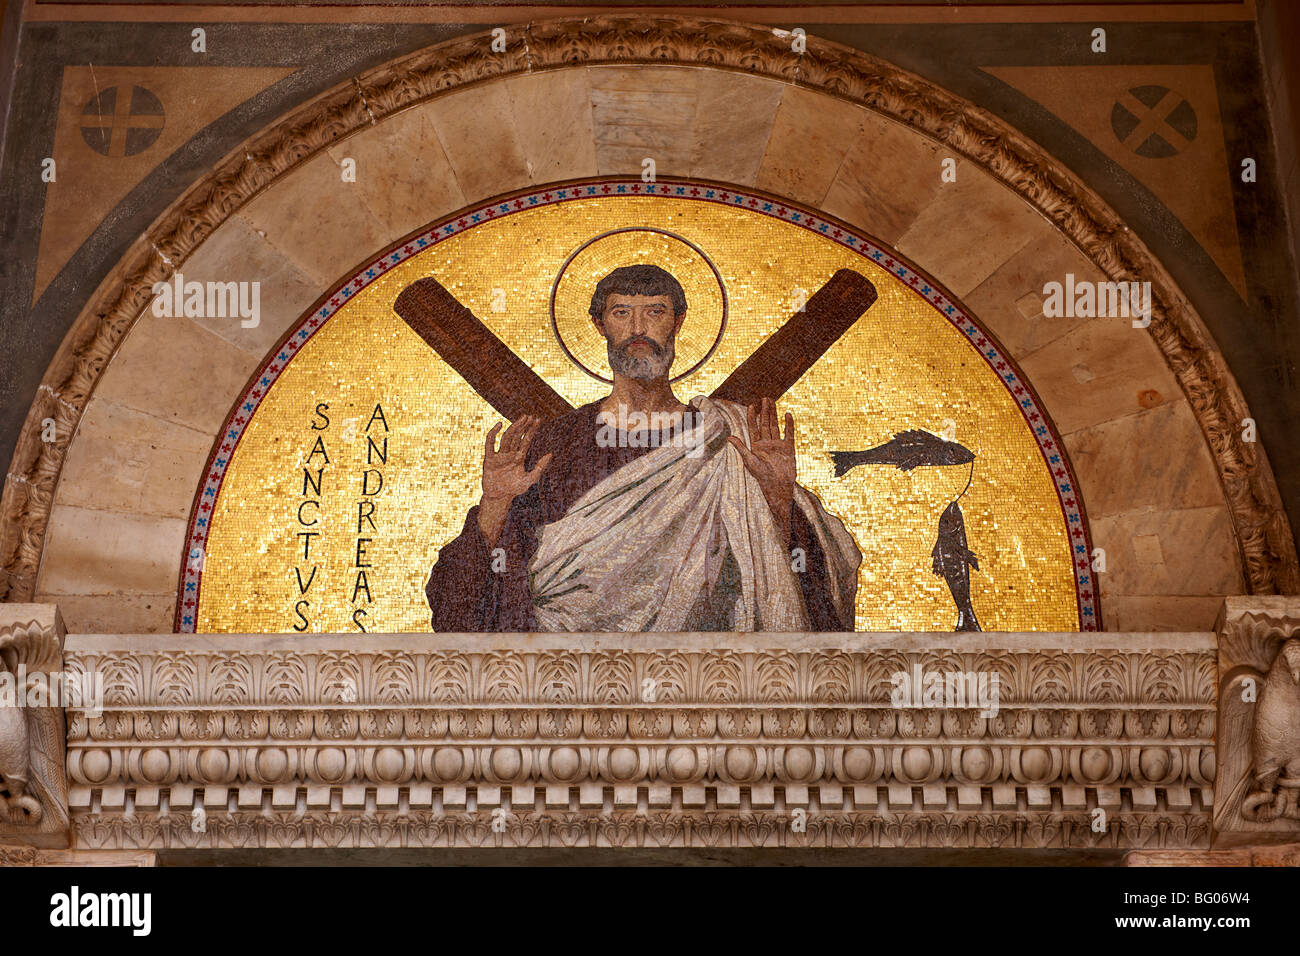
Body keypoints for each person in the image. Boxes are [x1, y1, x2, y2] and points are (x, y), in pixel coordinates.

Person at [425, 264, 860, 631]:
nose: (638, 328)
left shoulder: (725, 437)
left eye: (654, 312)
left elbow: (802, 601)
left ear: (678, 321)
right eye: (621, 313)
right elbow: (460, 613)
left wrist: (779, 500)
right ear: (599, 324)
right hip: (569, 681)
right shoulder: (554, 443)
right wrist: (495, 504)